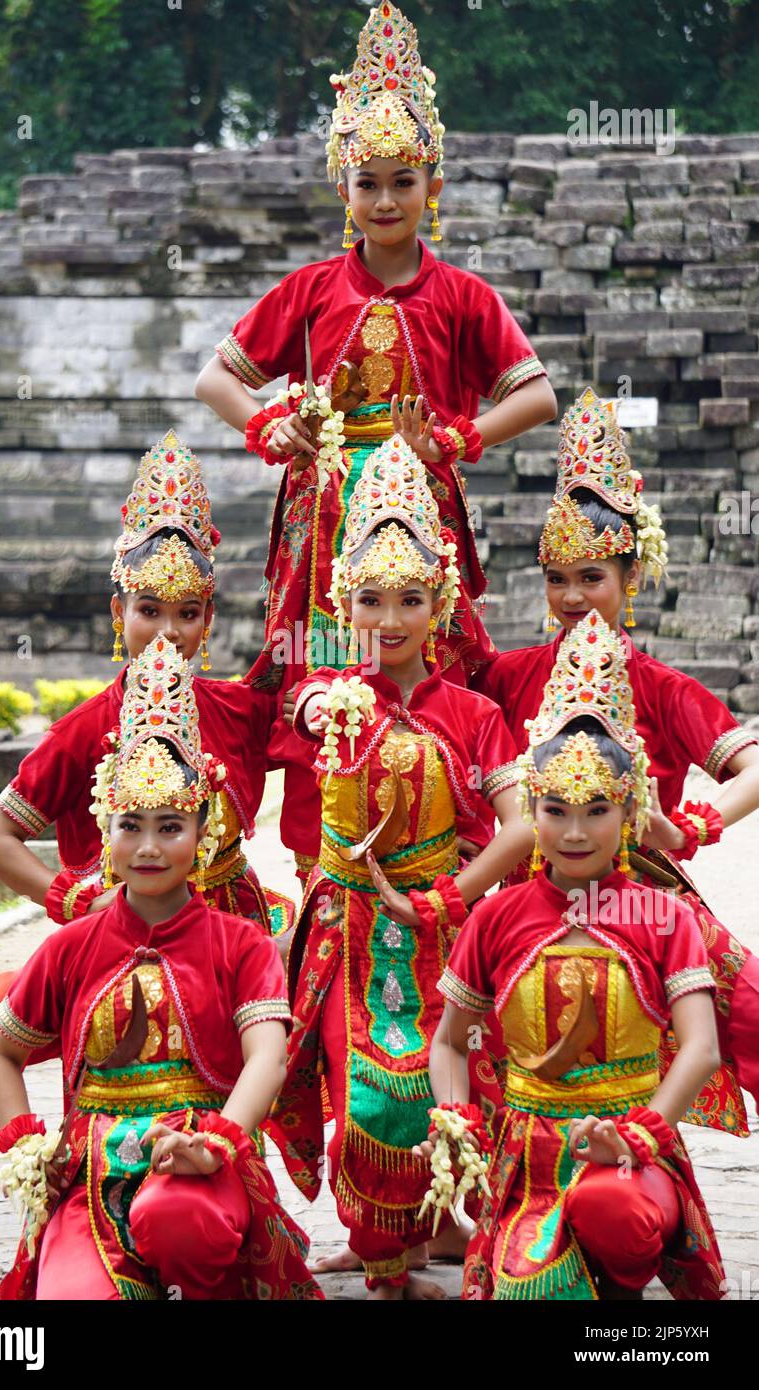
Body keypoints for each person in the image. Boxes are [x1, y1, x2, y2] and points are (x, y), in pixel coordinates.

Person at [0, 430, 292, 1298]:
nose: (168, 632)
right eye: (149, 609)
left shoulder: (242, 712)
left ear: (209, 620)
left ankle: (397, 1238)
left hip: (226, 952)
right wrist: (77, 897)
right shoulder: (87, 725)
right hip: (100, 954)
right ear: (120, 613)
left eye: (187, 613)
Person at [194, 1, 557, 882]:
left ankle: (450, 858)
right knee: (322, 680)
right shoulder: (312, 289)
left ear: (432, 182)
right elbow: (217, 379)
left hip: (422, 512)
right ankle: (326, 872)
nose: (386, 199)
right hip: (323, 523)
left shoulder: (465, 295)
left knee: (435, 677)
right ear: (343, 188)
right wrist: (275, 427)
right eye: (369, 182)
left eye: (404, 180)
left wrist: (458, 439)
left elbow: (538, 395)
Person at [268, 433, 533, 1299]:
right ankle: (387, 1262)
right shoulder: (333, 695)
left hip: (443, 928)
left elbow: (521, 824)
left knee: (441, 1088)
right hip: (347, 929)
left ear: (440, 605)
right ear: (345, 601)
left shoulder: (474, 712)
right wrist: (326, 704)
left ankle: (445, 1233)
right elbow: (305, 710)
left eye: (411, 599)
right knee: (369, 1100)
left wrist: (452, 895)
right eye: (372, 599)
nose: (390, 619)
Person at [0, 634, 320, 1300]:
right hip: (93, 1170)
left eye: (170, 827)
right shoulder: (71, 945)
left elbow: (267, 1059)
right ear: (105, 828)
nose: (149, 847)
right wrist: (23, 1144)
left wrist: (220, 1141)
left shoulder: (239, 942)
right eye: (130, 825)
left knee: (180, 1220)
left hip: (197, 1163)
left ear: (204, 832)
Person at [473, 386, 759, 1131]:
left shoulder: (662, 688)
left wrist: (686, 830)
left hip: (633, 893)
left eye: (592, 577)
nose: (573, 597)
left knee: (751, 1008)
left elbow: (753, 768)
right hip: (525, 895)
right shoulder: (506, 678)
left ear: (630, 580)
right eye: (558, 579)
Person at [425, 609, 725, 1300]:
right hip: (528, 1155)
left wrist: (641, 1135)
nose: (575, 831)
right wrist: (455, 1118)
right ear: (532, 810)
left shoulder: (662, 914)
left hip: (628, 1145)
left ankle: (620, 1279)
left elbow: (702, 1049)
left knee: (611, 1208)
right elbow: (450, 1042)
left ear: (628, 811)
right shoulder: (498, 916)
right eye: (555, 809)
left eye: (596, 809)